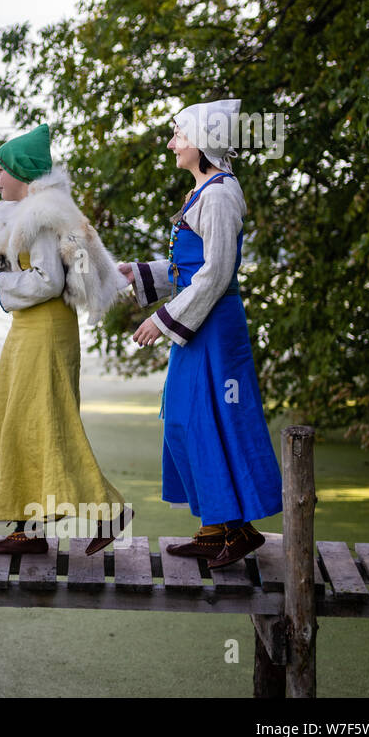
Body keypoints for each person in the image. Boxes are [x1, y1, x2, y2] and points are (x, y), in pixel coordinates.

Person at [119, 98, 282, 569]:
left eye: (179, 136)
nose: (172, 143)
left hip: (214, 328)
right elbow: (190, 270)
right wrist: (143, 274)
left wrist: (161, 319)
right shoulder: (205, 190)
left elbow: (215, 274)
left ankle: (240, 529)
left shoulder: (220, 195)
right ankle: (214, 527)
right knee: (183, 420)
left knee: (218, 419)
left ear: (204, 142)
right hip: (199, 325)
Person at [0, 123, 131, 557]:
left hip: (44, 332)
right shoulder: (33, 213)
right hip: (32, 331)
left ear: (21, 175)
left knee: (49, 424)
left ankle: (108, 512)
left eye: (1, 170)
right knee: (24, 422)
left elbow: (46, 281)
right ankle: (29, 528)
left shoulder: (39, 216)